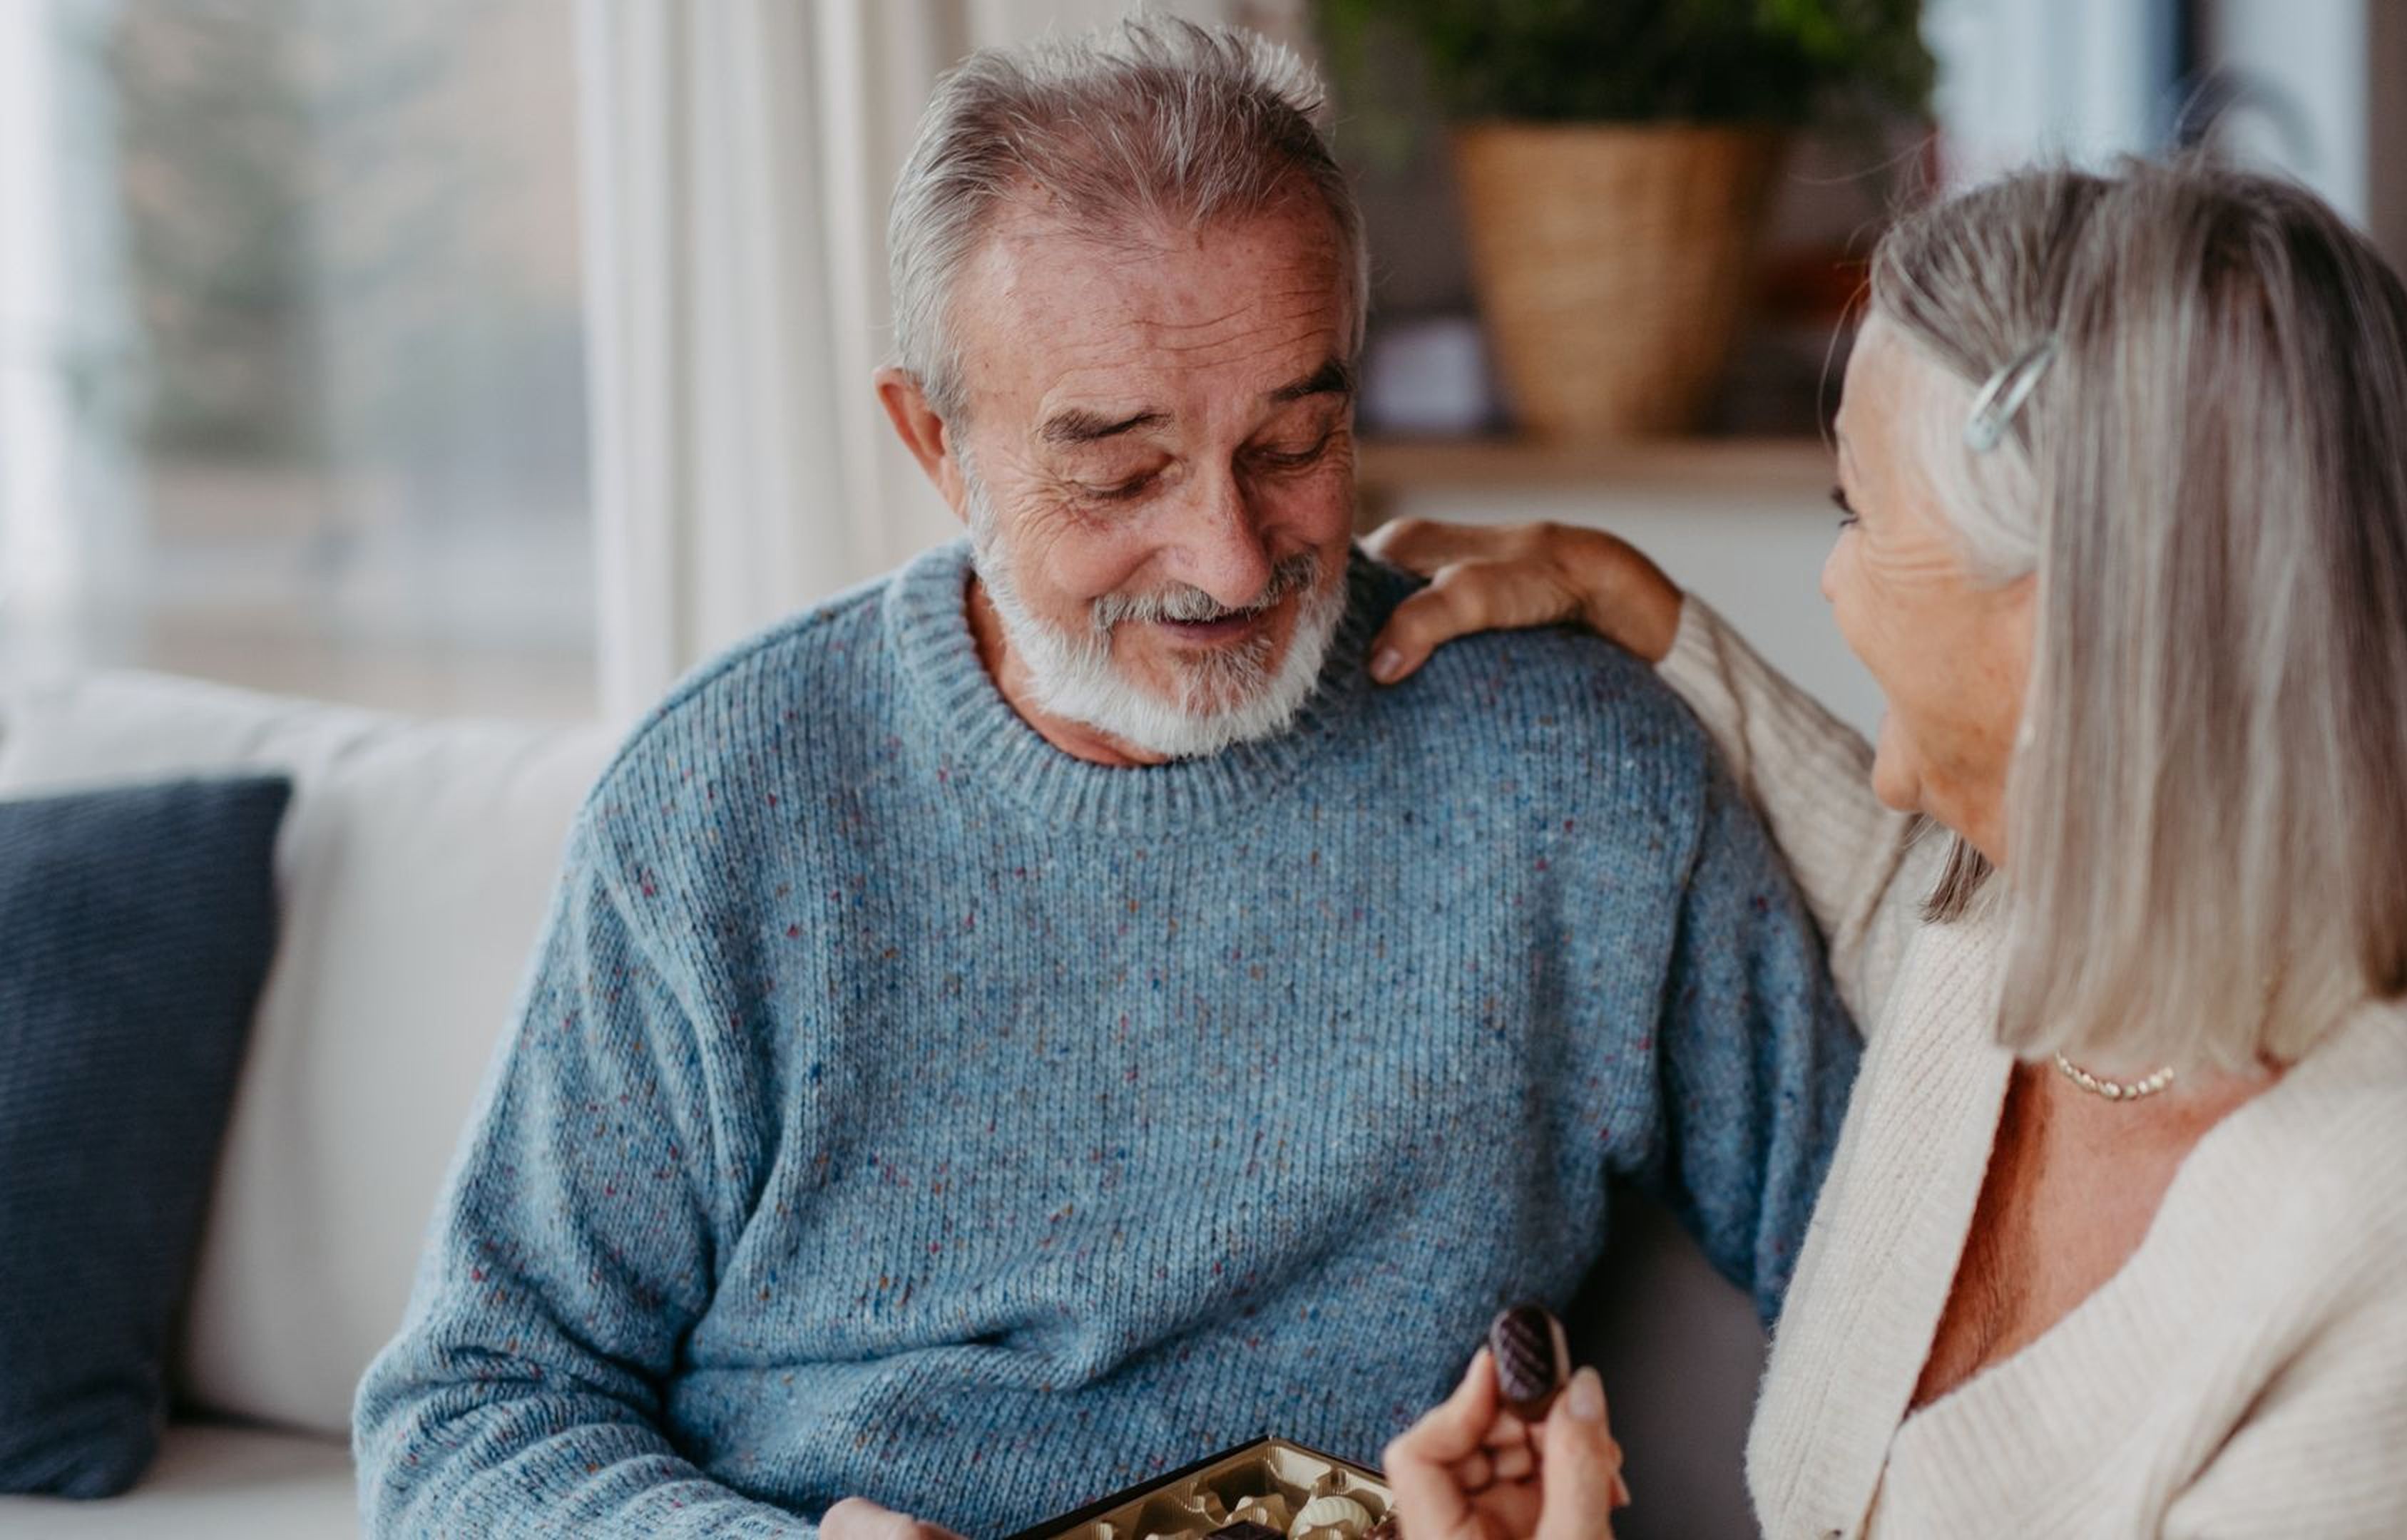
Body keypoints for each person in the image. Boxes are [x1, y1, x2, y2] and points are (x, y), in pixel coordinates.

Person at [349, 19, 1855, 1539]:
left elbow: (1905, 1273)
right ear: (936, 443)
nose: (1228, 557)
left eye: (1296, 441)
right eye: (1122, 471)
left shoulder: (1570, 774)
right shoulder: (722, 805)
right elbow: (472, 1408)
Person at [1379, 158, 2407, 1536]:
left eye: (1856, 512)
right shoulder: (2049, 921)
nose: (1831, 578)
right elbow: (1895, 914)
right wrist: (1654, 626)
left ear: (2068, 628)